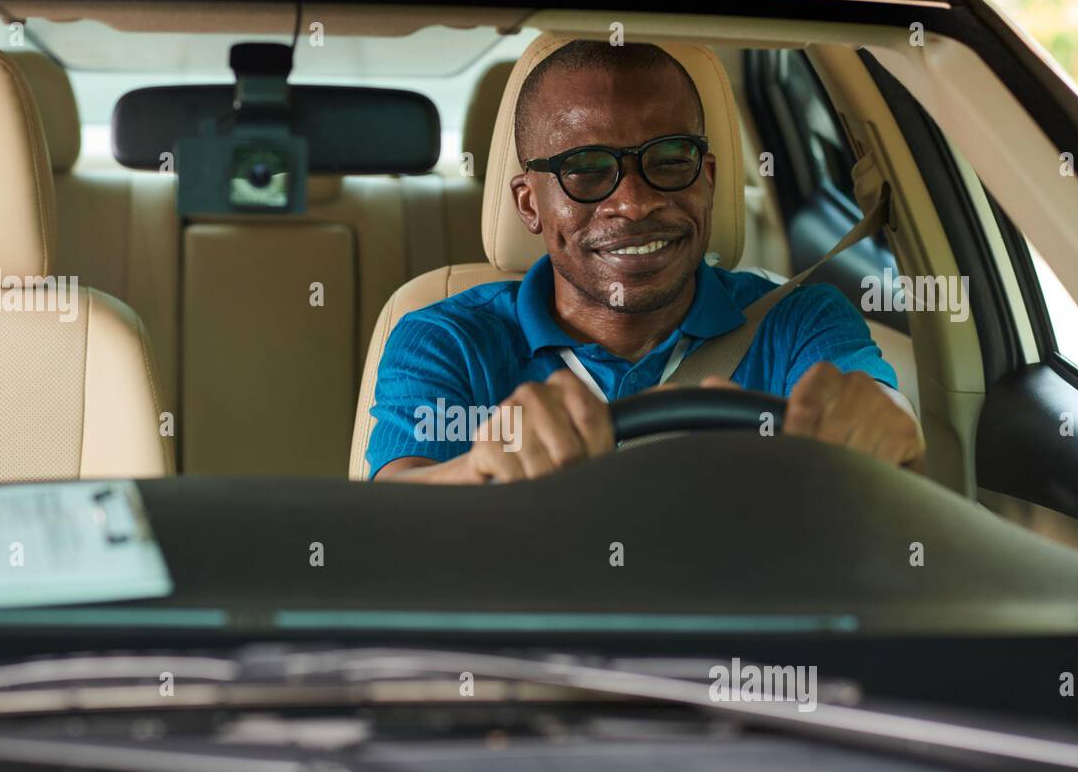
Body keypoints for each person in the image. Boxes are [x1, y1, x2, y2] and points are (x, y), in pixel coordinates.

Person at [368, 40, 923, 483]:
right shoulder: (446, 338)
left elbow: (872, 409)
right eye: (585, 169)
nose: (633, 204)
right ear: (529, 205)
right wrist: (478, 469)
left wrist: (880, 423)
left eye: (669, 159)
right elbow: (392, 512)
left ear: (706, 180)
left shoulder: (799, 320)